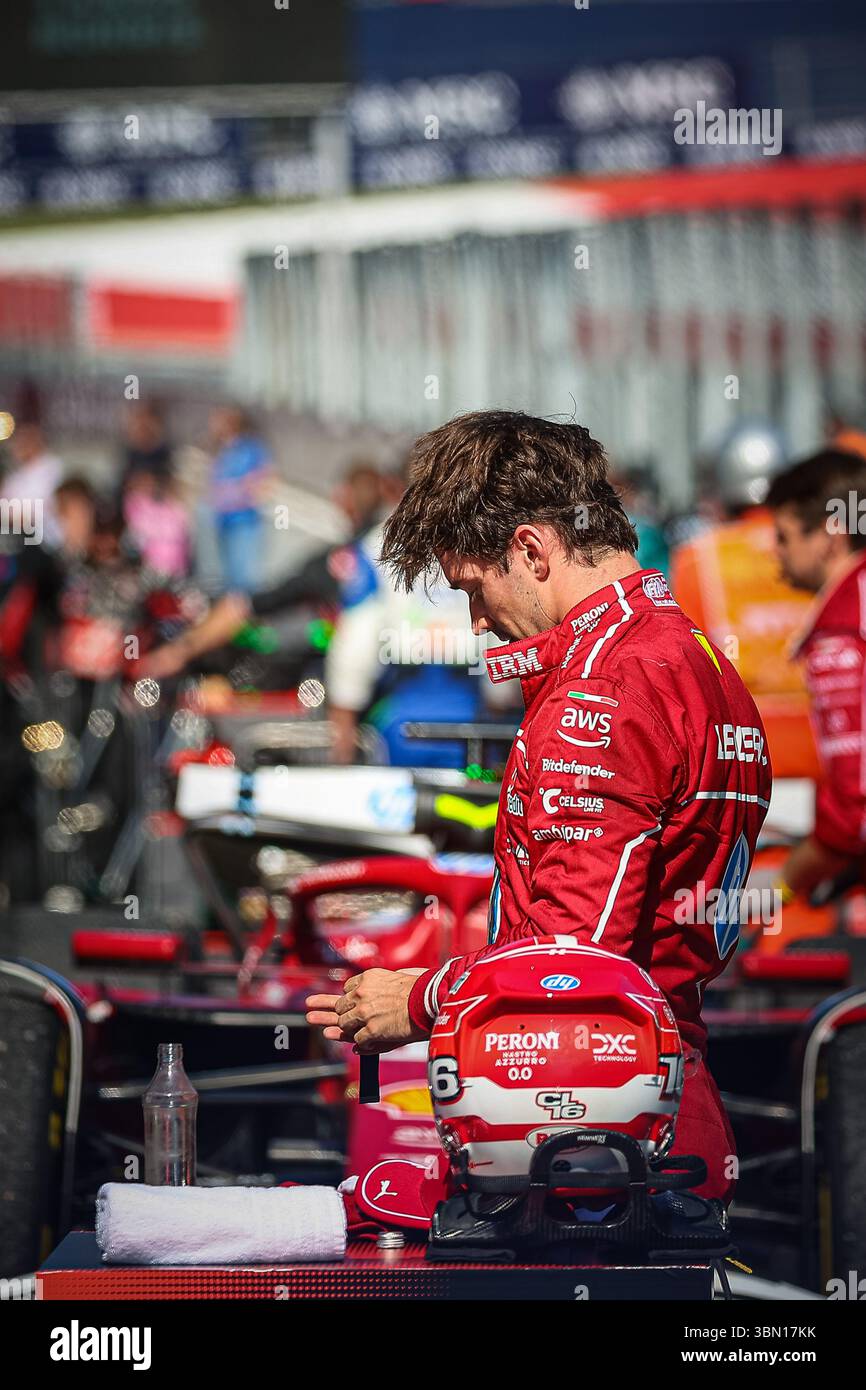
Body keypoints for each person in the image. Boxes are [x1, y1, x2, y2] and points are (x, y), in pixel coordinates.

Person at [305, 409, 774, 1204]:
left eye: (472, 590)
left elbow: (571, 967)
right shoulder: (698, 660)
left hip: (588, 1137)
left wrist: (414, 998)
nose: (478, 624)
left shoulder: (604, 688)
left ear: (531, 548)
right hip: (663, 1114)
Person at [670, 421, 819, 779]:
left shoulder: (696, 558)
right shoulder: (819, 548)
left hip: (744, 762)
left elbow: (690, 673)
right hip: (830, 754)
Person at [766, 448, 866, 899]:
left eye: (784, 537)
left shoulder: (840, 634)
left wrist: (775, 890)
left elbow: (854, 806)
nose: (775, 552)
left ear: (830, 535)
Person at [208, 405, 272, 593]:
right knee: (228, 577)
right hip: (223, 521)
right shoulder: (222, 450)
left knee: (245, 578)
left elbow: (264, 482)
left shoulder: (250, 448)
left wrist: (238, 494)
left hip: (244, 521)